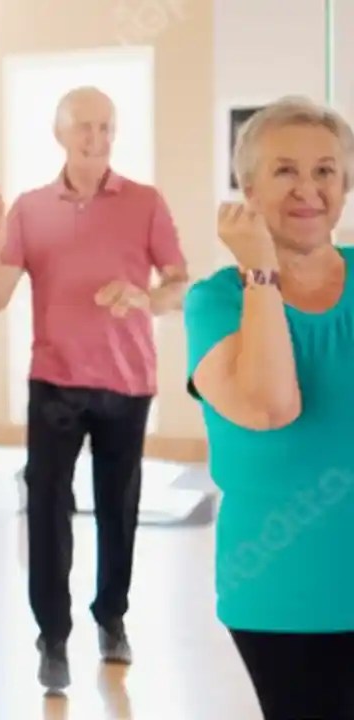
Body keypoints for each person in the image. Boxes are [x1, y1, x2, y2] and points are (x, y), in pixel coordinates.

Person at [0, 86, 189, 691]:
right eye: (85, 127)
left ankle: (111, 617)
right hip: (56, 383)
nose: (97, 137)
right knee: (46, 505)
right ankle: (54, 636)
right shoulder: (30, 208)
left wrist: (145, 297)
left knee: (118, 507)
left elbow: (179, 283)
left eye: (107, 126)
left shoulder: (144, 202)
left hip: (127, 381)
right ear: (60, 133)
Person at [186, 96, 354, 719]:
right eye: (285, 171)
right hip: (284, 591)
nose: (308, 189)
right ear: (249, 186)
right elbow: (269, 405)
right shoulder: (215, 301)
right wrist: (261, 270)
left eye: (325, 171)